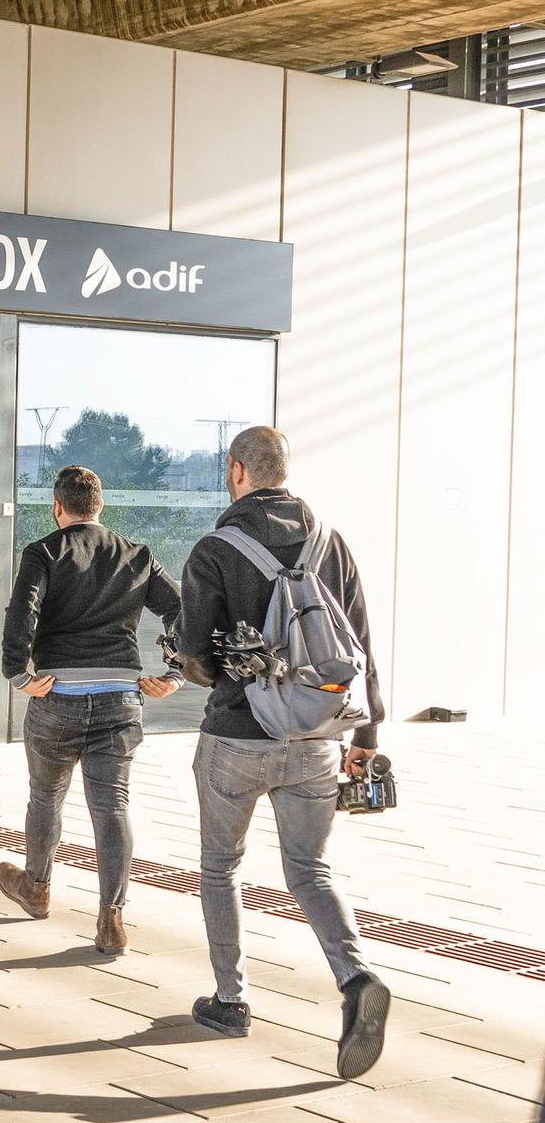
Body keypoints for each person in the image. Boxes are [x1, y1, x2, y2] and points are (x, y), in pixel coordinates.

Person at [176, 425, 390, 1078]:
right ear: (284, 471)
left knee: (221, 866)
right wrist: (367, 736)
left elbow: (197, 657)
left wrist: (206, 668)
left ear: (236, 470)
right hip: (319, 739)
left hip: (239, 737)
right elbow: (360, 643)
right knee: (310, 870)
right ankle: (356, 978)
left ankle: (230, 1000)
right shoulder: (331, 542)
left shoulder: (215, 549)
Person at [0, 466, 183, 957]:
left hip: (56, 697)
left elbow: (23, 610)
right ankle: (111, 921)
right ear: (100, 506)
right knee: (112, 806)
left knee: (45, 797)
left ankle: (36, 888)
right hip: (121, 699)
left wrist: (18, 673)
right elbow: (181, 610)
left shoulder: (43, 551)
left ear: (57, 508)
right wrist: (177, 672)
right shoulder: (136, 554)